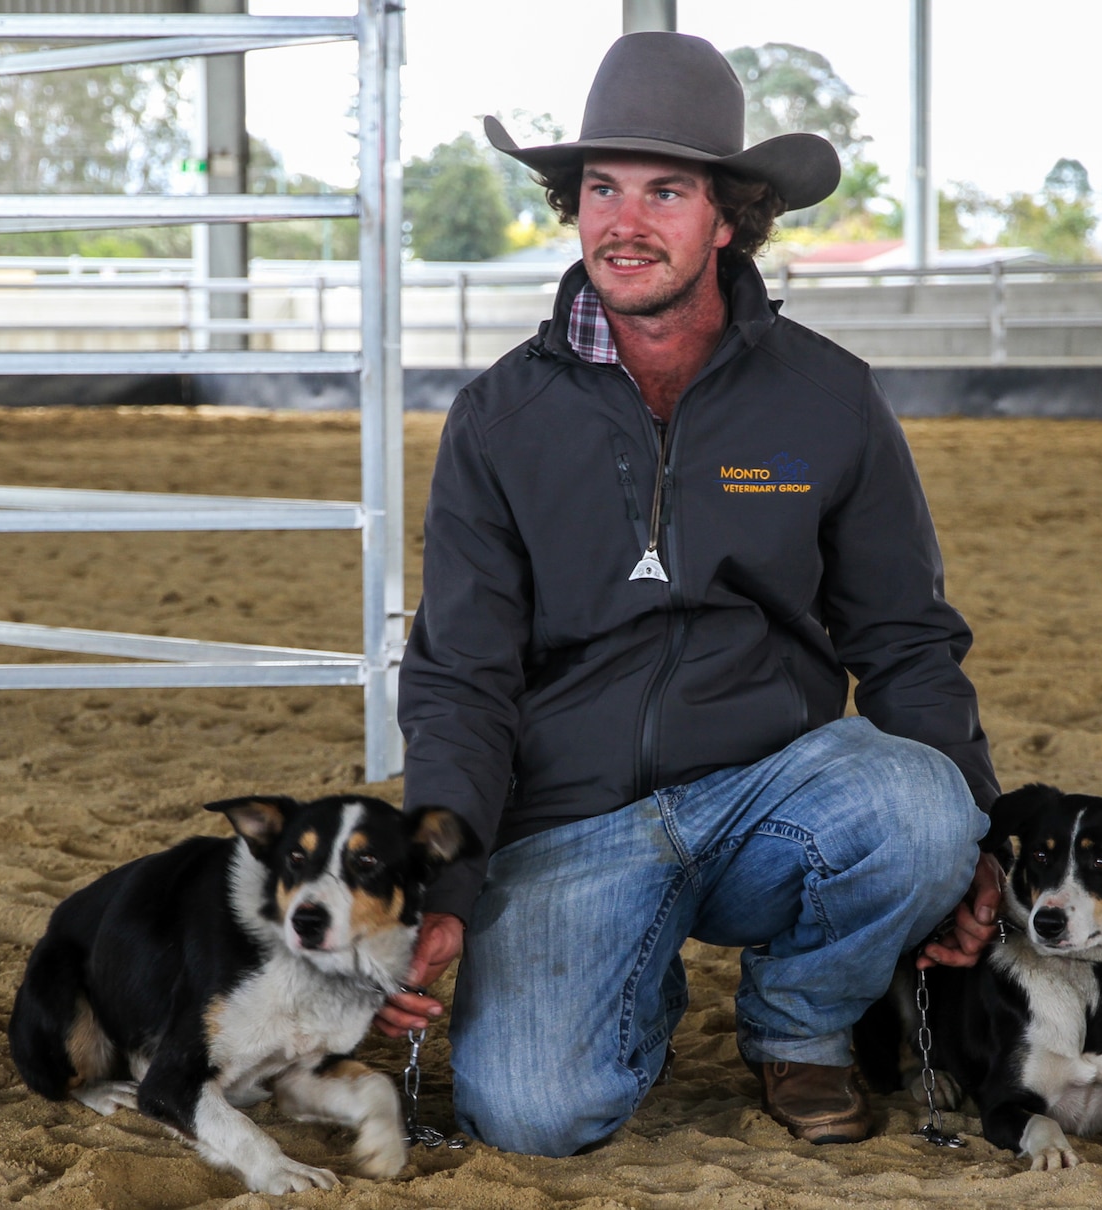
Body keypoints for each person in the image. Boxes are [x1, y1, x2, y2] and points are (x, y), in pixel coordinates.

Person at [380, 31, 1004, 1157]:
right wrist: (444, 875)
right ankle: (628, 980)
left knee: (923, 807)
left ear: (728, 216)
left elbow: (904, 636)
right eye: (601, 189)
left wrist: (977, 843)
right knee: (529, 1115)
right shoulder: (498, 420)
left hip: (772, 797)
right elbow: (460, 676)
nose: (624, 223)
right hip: (569, 822)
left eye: (664, 191)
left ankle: (801, 1026)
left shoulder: (829, 399)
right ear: (572, 205)